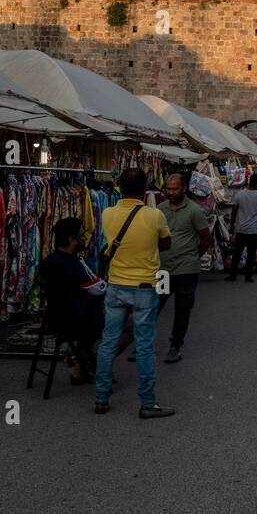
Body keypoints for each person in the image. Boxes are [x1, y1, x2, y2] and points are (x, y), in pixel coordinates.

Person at [93, 167, 173, 418]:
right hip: (145, 287)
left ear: (118, 186)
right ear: (146, 186)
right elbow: (166, 244)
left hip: (116, 285)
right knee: (145, 345)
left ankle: (101, 397)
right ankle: (148, 402)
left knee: (108, 342)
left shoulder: (107, 213)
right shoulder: (155, 215)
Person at [39, 217, 102, 385]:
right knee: (126, 324)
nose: (85, 238)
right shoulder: (75, 264)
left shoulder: (48, 261)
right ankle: (94, 365)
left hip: (54, 319)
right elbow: (99, 288)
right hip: (77, 322)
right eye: (81, 235)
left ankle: (81, 364)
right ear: (72, 240)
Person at [158, 172, 211, 363]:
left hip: (186, 270)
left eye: (175, 189)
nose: (170, 192)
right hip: (163, 269)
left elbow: (205, 237)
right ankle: (141, 344)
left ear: (184, 189)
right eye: (168, 188)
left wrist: (194, 256)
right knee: (155, 305)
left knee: (182, 309)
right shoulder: (160, 208)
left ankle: (175, 345)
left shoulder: (194, 211)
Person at [226, 173, 257, 283]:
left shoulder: (240, 194)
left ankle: (232, 275)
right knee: (251, 253)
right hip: (254, 229)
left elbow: (234, 211)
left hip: (241, 228)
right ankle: (248, 277)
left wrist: (232, 226)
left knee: (237, 252)